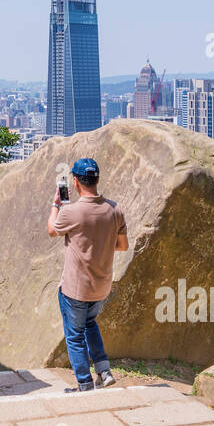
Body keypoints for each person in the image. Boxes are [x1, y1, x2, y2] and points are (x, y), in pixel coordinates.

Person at [47, 158, 129, 392]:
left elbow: (52, 230)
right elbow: (122, 246)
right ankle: (103, 371)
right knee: (90, 322)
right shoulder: (115, 209)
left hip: (75, 289)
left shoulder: (72, 211)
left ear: (75, 182)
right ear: (98, 180)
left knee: (74, 336)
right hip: (101, 287)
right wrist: (100, 243)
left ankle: (84, 384)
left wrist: (55, 205)